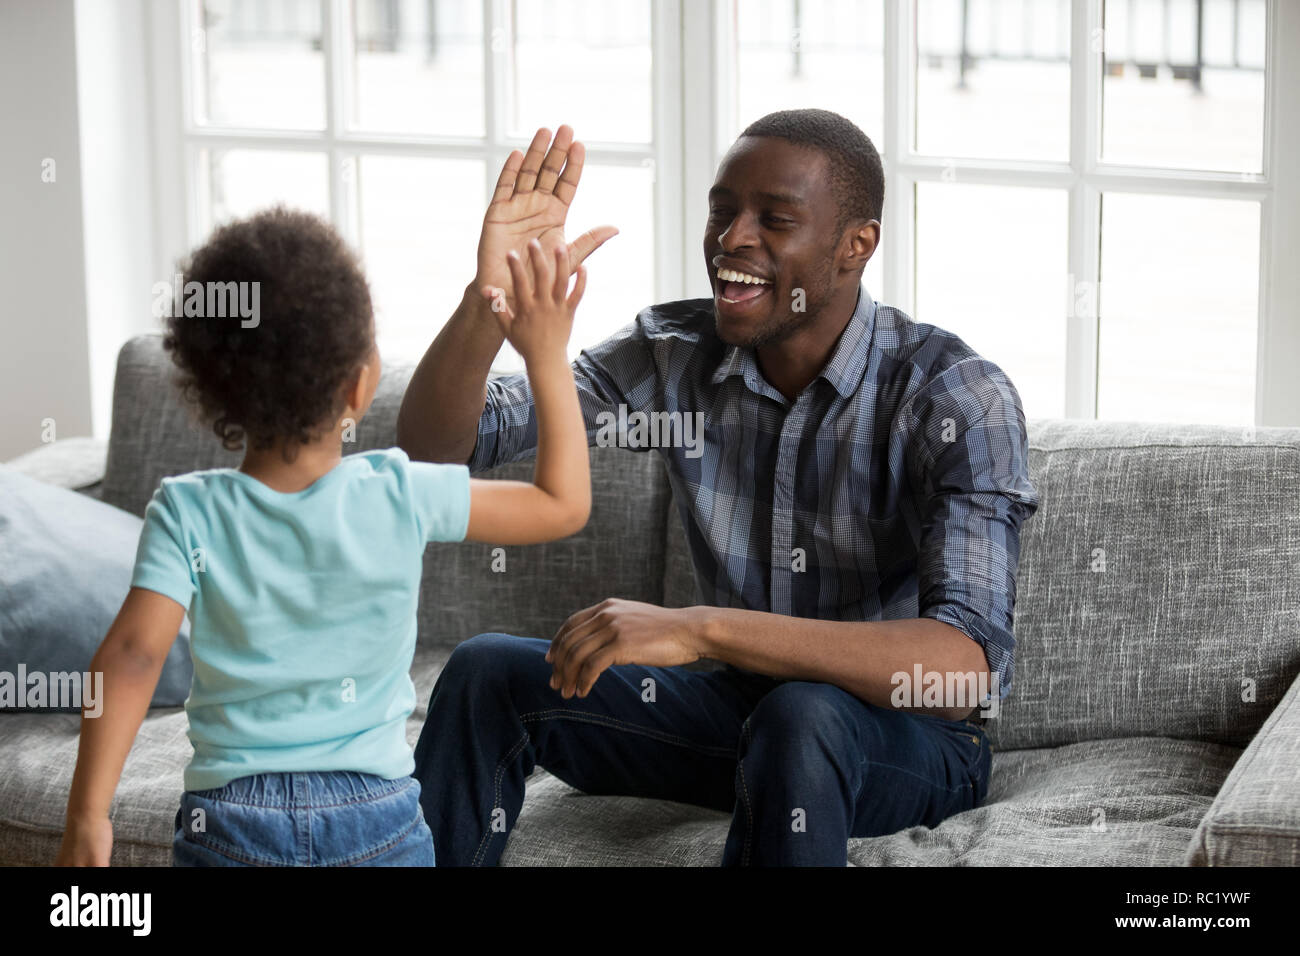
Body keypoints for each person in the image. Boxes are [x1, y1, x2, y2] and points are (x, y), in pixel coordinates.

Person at [398, 108, 1041, 867]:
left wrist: (701, 628)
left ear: (855, 245)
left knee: (804, 714)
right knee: (486, 672)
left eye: (774, 219)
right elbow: (439, 447)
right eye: (722, 211)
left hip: (906, 741)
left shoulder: (954, 396)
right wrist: (489, 300)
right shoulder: (674, 354)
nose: (732, 239)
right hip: (740, 721)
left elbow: (960, 671)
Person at [55, 206, 593, 866]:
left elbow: (132, 658)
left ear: (209, 391)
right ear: (360, 386)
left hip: (230, 823)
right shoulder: (399, 492)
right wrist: (545, 353)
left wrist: (87, 817)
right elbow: (561, 504)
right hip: (379, 821)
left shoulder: (187, 511)